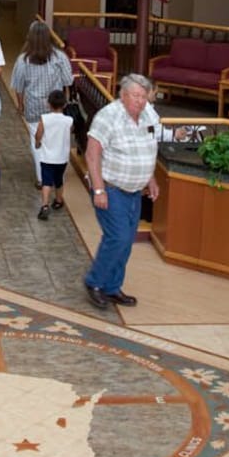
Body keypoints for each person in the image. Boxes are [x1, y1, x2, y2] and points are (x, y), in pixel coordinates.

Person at [82, 74, 161, 309]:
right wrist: (98, 190)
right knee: (118, 237)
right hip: (111, 187)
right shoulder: (108, 117)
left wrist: (151, 178)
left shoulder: (149, 114)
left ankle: (112, 287)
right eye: (136, 95)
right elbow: (92, 154)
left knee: (126, 242)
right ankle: (94, 282)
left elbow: (149, 148)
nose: (140, 100)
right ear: (123, 95)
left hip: (135, 190)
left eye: (144, 96)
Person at [10, 20, 72, 182]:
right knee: (56, 140)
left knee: (37, 142)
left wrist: (20, 105)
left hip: (33, 107)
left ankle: (41, 178)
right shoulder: (60, 57)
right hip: (56, 107)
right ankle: (57, 175)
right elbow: (68, 81)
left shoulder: (23, 60)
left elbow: (18, 86)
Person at [35, 88, 72, 220]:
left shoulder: (44, 119)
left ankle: (45, 205)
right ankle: (58, 200)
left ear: (48, 103)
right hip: (62, 157)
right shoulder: (69, 120)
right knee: (59, 180)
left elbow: (39, 134)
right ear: (65, 104)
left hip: (47, 157)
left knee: (46, 182)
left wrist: (37, 143)